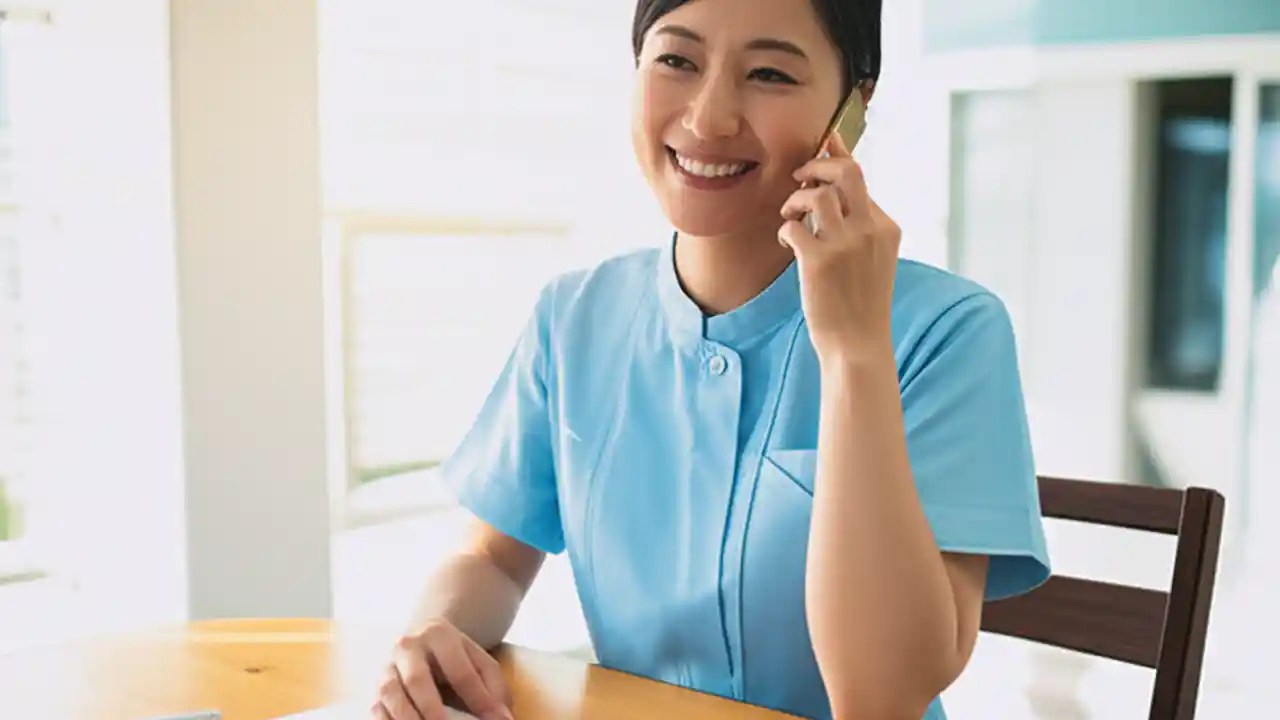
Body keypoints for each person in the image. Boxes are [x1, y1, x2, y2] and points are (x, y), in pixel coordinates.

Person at [369, 0, 1051, 718]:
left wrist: (854, 354)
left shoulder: (948, 332)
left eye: (768, 73)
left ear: (856, 105)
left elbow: (880, 700)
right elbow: (492, 558)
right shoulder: (573, 316)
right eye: (676, 60)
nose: (708, 118)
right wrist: (436, 632)